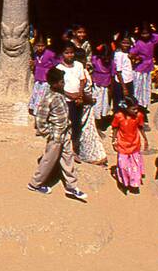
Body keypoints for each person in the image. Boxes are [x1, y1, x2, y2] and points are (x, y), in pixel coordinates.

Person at [27, 66, 88, 200]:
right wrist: (48, 132)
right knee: (49, 160)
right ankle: (35, 183)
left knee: (68, 158)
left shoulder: (61, 95)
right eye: (61, 82)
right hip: (56, 135)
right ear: (54, 83)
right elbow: (40, 119)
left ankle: (72, 187)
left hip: (65, 133)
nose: (63, 83)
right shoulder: (49, 99)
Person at [130, 23, 158, 120]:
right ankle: (137, 110)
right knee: (138, 91)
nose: (145, 35)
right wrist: (137, 57)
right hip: (139, 71)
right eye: (143, 34)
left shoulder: (153, 38)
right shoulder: (138, 43)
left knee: (146, 90)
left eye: (147, 33)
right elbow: (131, 54)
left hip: (147, 70)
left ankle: (143, 108)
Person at [111, 96, 147, 193]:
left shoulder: (139, 116)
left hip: (135, 144)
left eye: (136, 108)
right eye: (133, 109)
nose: (136, 111)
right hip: (122, 144)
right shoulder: (118, 116)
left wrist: (145, 139)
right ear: (126, 108)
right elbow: (115, 128)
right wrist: (114, 140)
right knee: (123, 165)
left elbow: (140, 127)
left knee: (134, 165)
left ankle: (133, 184)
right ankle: (124, 182)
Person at [27, 30, 57, 114]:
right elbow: (36, 64)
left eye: (42, 46)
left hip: (46, 80)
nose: (40, 48)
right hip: (38, 79)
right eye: (38, 46)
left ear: (46, 45)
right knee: (35, 94)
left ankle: (38, 113)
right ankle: (32, 109)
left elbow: (56, 64)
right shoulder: (36, 54)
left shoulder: (50, 54)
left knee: (41, 97)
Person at [89, 40, 116, 123]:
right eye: (104, 57)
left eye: (108, 57)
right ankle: (96, 120)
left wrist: (111, 87)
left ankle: (102, 118)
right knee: (97, 102)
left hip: (105, 86)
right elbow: (90, 68)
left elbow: (112, 75)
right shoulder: (95, 59)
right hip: (97, 85)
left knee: (104, 102)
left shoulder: (112, 63)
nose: (106, 59)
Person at [113, 33, 136, 107]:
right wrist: (124, 88)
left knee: (129, 102)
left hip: (129, 80)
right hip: (122, 83)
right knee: (121, 103)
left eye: (127, 43)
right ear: (119, 43)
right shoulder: (119, 55)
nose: (126, 45)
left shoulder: (128, 53)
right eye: (123, 43)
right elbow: (118, 72)